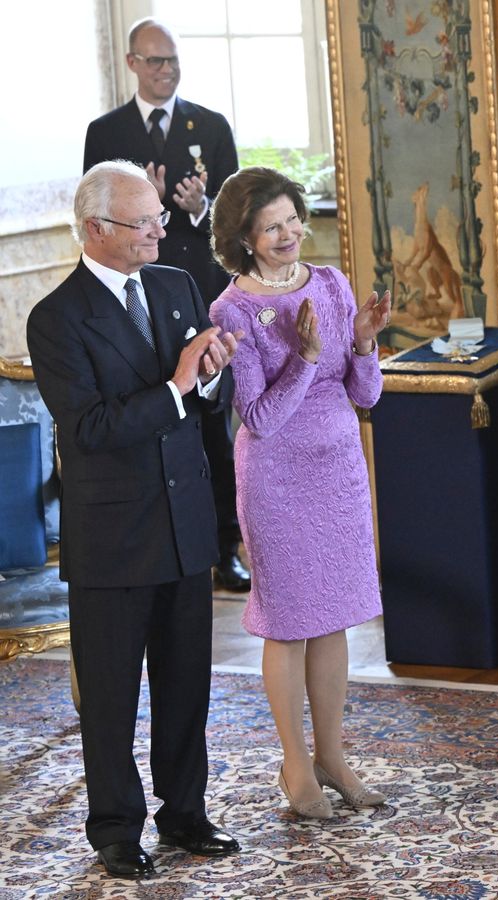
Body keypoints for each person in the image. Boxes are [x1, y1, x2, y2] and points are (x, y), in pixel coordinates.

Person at [26, 160, 242, 879]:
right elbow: (88, 429)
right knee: (113, 698)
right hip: (113, 539)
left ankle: (184, 812)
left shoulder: (176, 284)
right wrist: (180, 384)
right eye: (143, 220)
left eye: (157, 216)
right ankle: (116, 828)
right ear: (96, 229)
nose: (159, 229)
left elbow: (205, 398)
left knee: (187, 686)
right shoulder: (56, 318)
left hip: (184, 525)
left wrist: (210, 373)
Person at [207, 167, 392, 819]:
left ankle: (333, 756)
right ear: (245, 239)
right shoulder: (233, 310)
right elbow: (258, 418)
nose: (288, 234)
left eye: (292, 220)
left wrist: (364, 343)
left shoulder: (333, 284)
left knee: (334, 615)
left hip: (339, 472)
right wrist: (307, 357)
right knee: (288, 626)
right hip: (278, 483)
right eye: (271, 227)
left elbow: (364, 395)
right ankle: (295, 766)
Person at [84, 17, 249, 592]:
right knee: (151, 410)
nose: (166, 70)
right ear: (132, 63)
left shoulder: (212, 124)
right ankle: (160, 541)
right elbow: (97, 222)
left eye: (173, 60)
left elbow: (235, 219)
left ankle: (225, 548)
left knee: (213, 426)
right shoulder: (106, 133)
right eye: (154, 61)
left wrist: (200, 208)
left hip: (195, 290)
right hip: (131, 293)